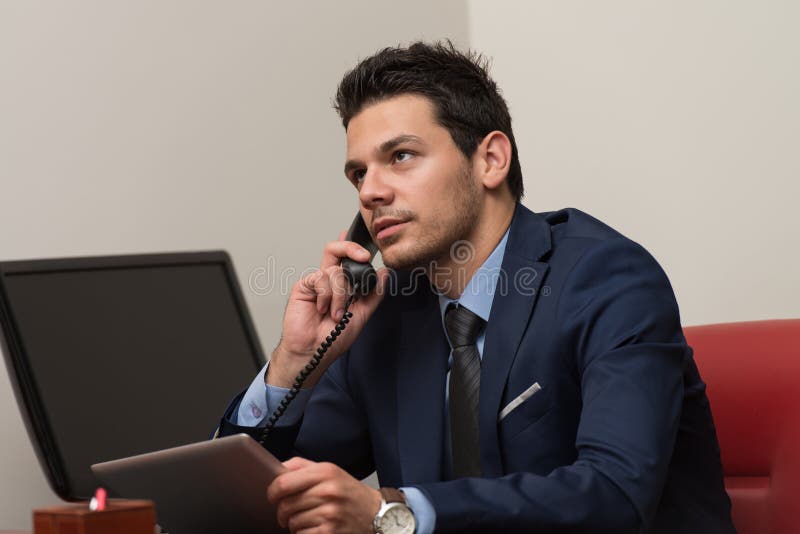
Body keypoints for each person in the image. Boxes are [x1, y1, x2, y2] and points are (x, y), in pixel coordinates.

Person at [217, 41, 735, 533]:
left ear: (490, 160)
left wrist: (392, 513)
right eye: (358, 173)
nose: (371, 192)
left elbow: (615, 496)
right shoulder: (386, 311)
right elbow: (245, 500)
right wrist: (296, 361)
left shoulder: (606, 279)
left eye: (400, 156)